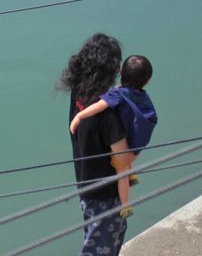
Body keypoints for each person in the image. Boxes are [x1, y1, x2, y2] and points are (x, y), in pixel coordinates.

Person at [56, 33, 135, 256]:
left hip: (86, 186)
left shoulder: (79, 94)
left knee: (96, 241)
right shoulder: (107, 116)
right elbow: (125, 157)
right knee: (99, 251)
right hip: (106, 196)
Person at [69, 54, 157, 218]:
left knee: (121, 172)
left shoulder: (117, 94)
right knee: (127, 161)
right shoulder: (139, 94)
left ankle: (125, 205)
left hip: (124, 151)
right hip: (136, 141)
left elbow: (99, 106)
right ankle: (131, 174)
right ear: (148, 80)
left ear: (122, 73)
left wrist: (80, 116)